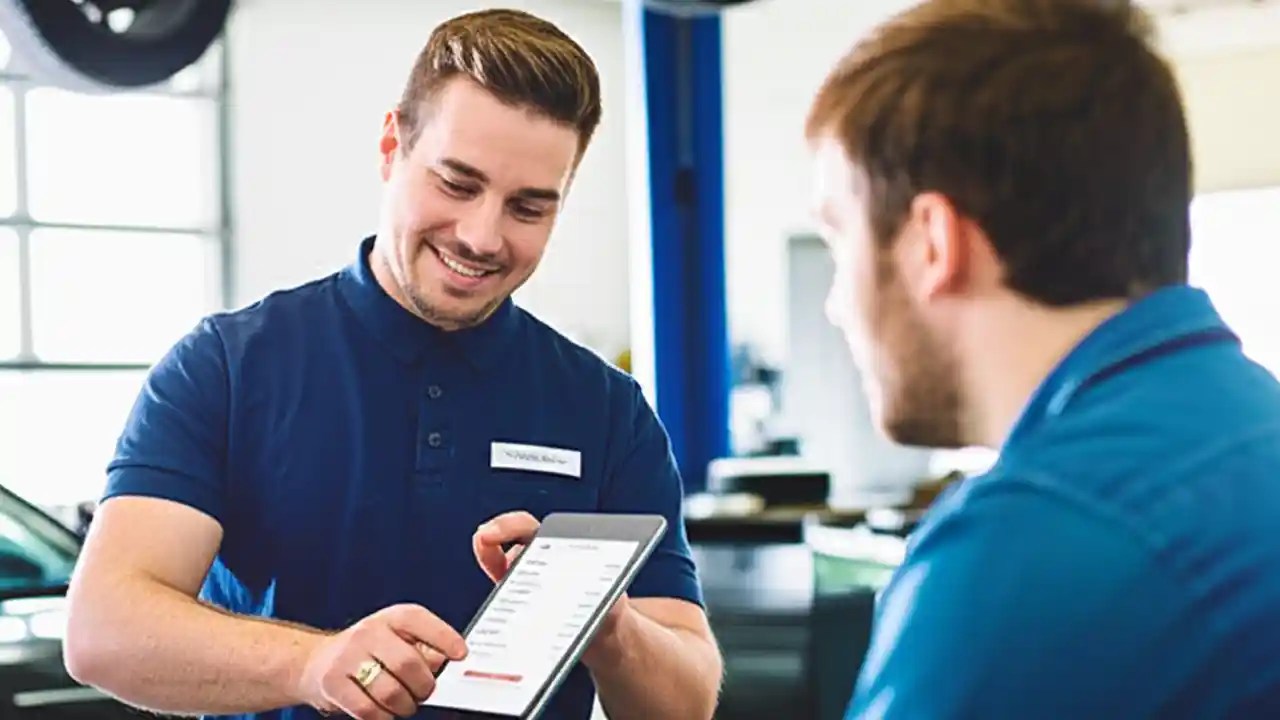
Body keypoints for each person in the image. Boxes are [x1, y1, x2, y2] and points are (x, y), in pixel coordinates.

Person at [62, 9, 722, 720]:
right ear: (390, 146)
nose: (481, 236)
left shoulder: (608, 411)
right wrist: (313, 663)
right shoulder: (228, 367)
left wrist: (608, 621)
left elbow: (684, 704)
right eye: (457, 184)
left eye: (528, 208)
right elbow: (105, 629)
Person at [803, 0, 1280, 718]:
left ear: (933, 242)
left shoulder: (1027, 556)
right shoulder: (1250, 432)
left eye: (842, 240)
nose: (836, 304)